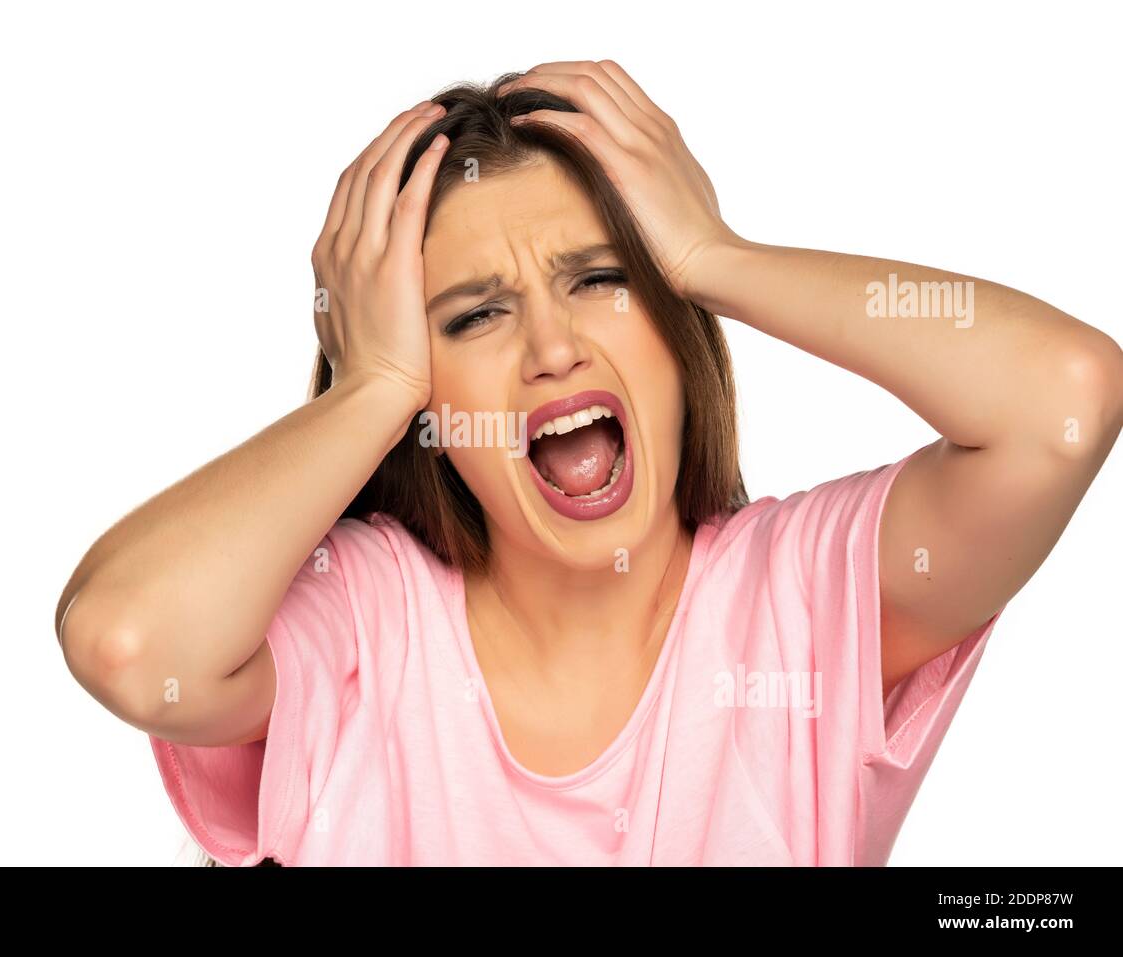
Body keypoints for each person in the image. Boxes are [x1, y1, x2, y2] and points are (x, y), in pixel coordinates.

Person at [55, 61, 1123, 866]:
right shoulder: (365, 623)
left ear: (674, 328)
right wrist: (369, 383)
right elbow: (128, 640)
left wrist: (717, 257)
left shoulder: (798, 602)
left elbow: (1065, 402)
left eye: (602, 279)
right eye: (475, 315)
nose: (553, 347)